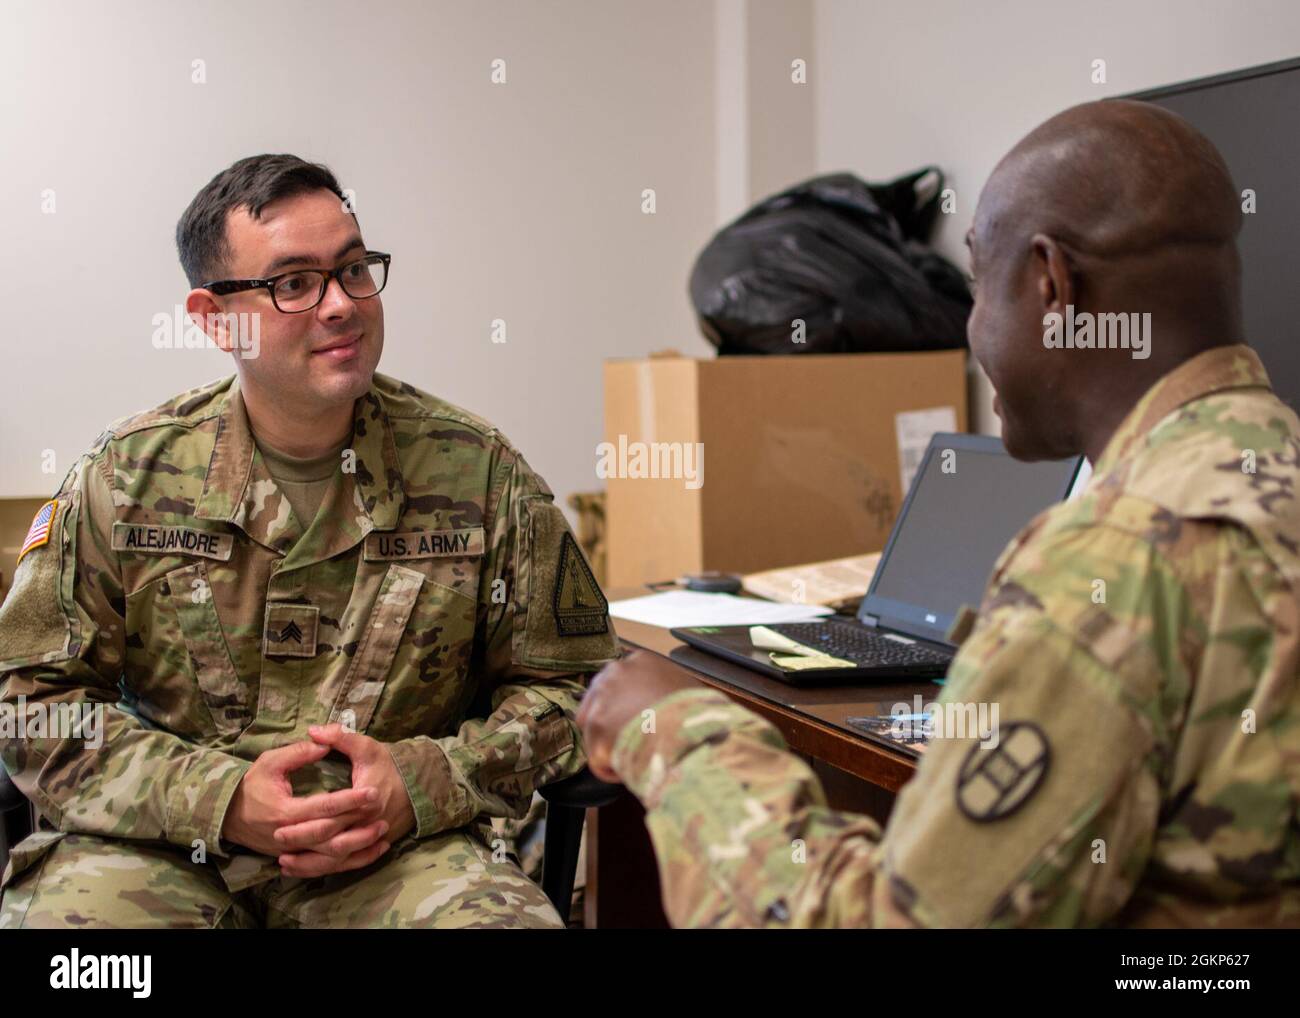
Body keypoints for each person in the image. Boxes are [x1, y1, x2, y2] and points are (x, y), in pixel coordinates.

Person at [578, 100, 1300, 928]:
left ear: (1051, 284)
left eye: (978, 287)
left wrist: (676, 731)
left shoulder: (1114, 560)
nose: (971, 328)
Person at [0, 154, 618, 928]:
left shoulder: (480, 473)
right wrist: (220, 798)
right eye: (294, 283)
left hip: (398, 856)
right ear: (214, 317)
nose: (340, 305)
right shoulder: (125, 477)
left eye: (353, 269)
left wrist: (425, 781)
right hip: (160, 848)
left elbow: (575, 689)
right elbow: (32, 705)